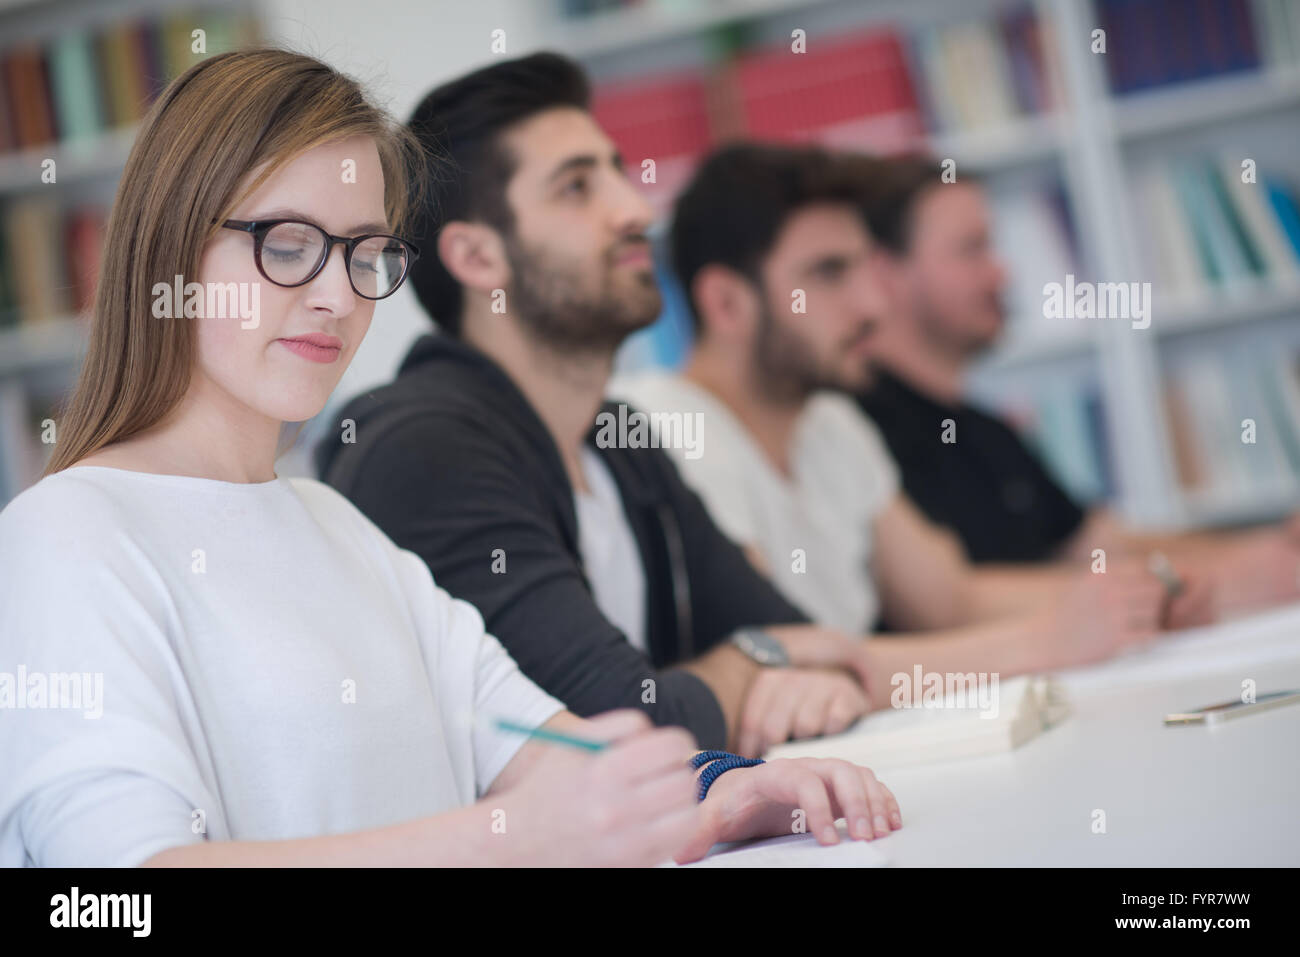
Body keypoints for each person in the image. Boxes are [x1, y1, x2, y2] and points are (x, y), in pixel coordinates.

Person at [0, 49, 900, 868]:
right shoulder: (66, 534)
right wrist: (497, 841)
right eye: (287, 246)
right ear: (172, 245)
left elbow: (551, 750)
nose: (336, 296)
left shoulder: (336, 525)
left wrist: (718, 789)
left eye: (366, 253)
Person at [318, 52, 893, 760]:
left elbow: (810, 640)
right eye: (577, 188)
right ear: (477, 259)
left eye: (617, 173)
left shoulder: (619, 436)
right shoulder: (424, 451)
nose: (636, 210)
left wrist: (760, 664)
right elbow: (615, 733)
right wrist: (753, 665)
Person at [614, 143, 1209, 680]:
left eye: (865, 269)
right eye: (829, 273)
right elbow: (787, 660)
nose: (873, 306)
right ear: (726, 302)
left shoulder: (830, 423)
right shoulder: (665, 430)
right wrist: (1047, 640)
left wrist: (1136, 593)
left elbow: (949, 600)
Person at [854, 154, 1300, 612]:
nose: (1001, 272)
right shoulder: (859, 431)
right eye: (973, 249)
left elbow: (1095, 544)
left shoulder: (986, 429)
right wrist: (1186, 585)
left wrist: (1267, 551)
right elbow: (949, 600)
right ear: (887, 273)